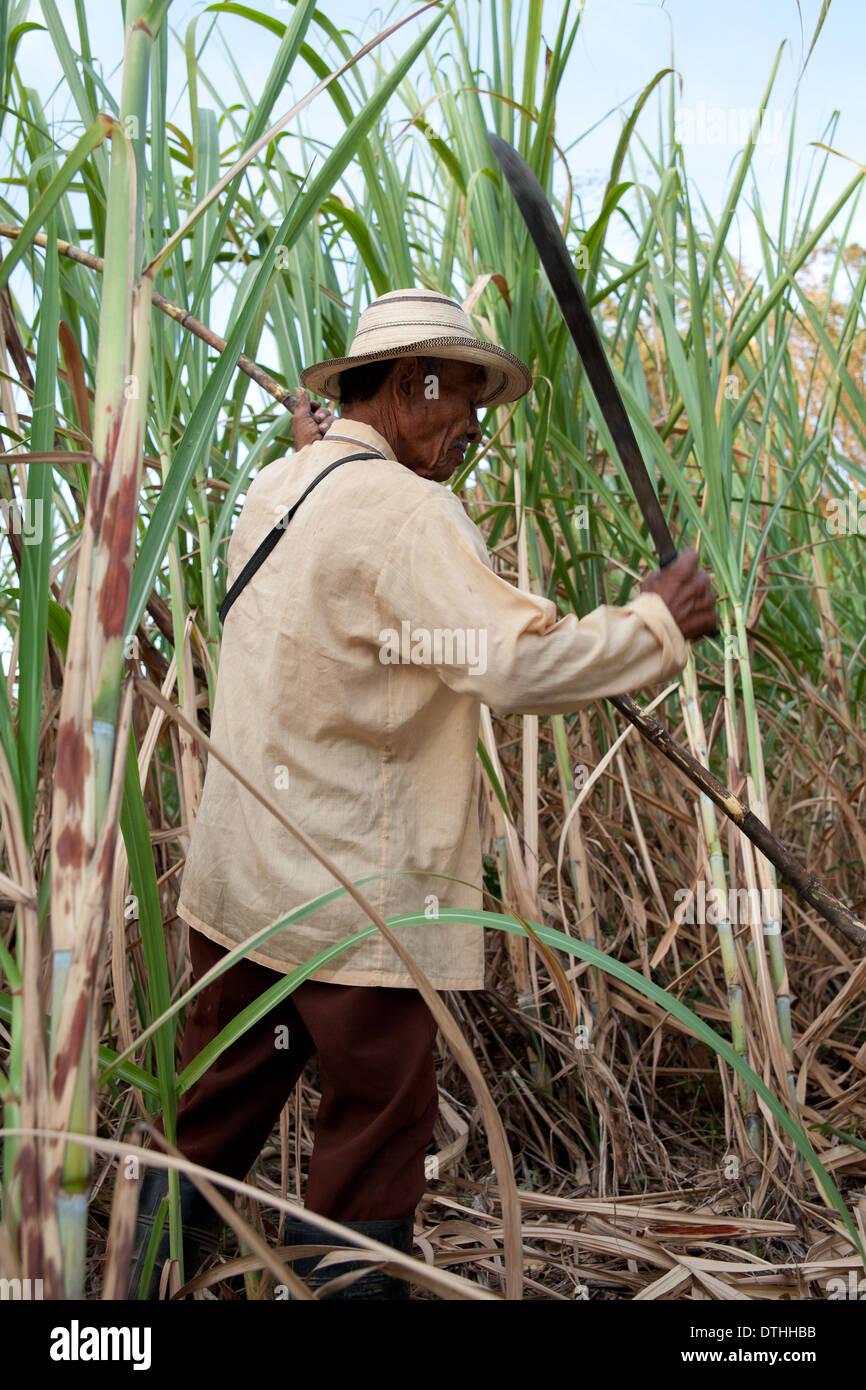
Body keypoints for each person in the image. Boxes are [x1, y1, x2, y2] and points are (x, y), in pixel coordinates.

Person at [127, 288, 717, 1300]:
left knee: (206, 1121)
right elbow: (515, 668)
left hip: (242, 888)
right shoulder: (409, 511)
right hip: (359, 900)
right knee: (374, 1140)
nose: (474, 426)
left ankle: (122, 1308)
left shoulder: (277, 487)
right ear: (409, 385)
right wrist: (654, 625)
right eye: (459, 399)